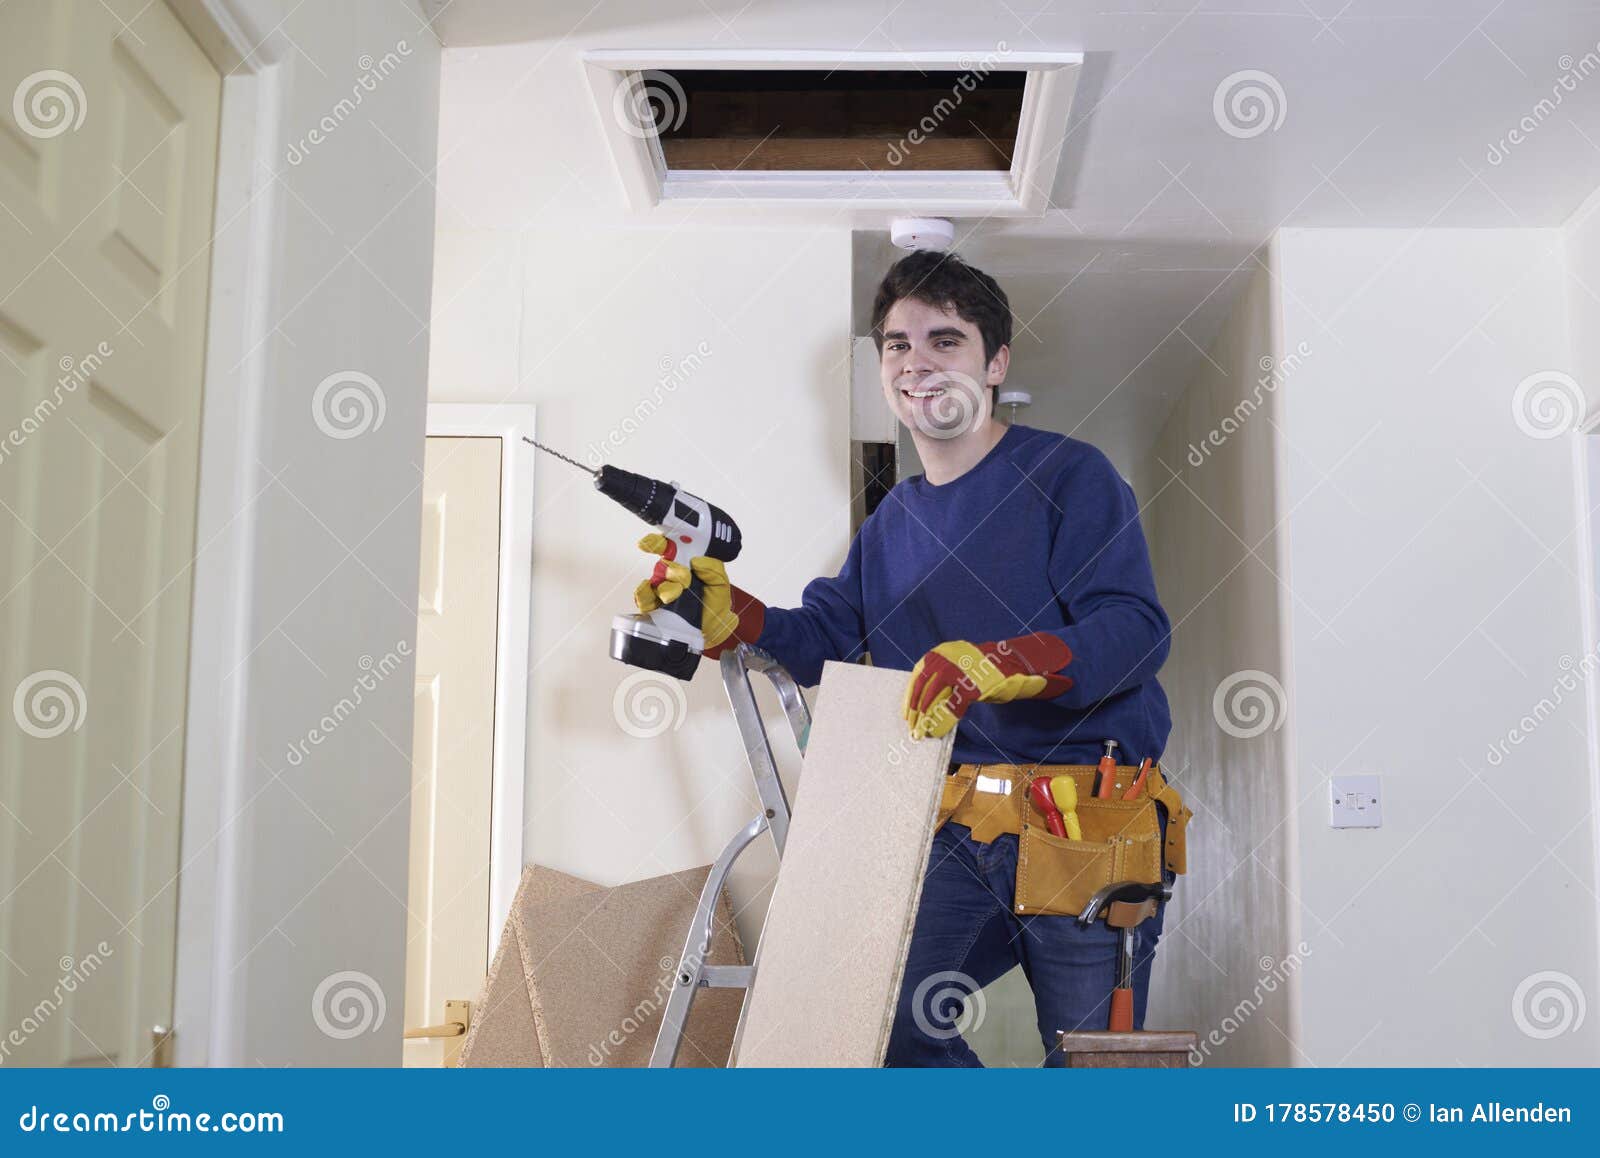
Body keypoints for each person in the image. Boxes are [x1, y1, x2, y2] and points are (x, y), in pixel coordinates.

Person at [632, 249, 1185, 1067]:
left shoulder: (1069, 475)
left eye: (945, 340)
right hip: (958, 834)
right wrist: (734, 616)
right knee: (880, 1025)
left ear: (995, 363)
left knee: (1094, 1069)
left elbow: (1135, 629)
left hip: (1085, 829)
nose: (916, 362)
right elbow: (826, 635)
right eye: (896, 345)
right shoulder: (892, 521)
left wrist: (1005, 660)